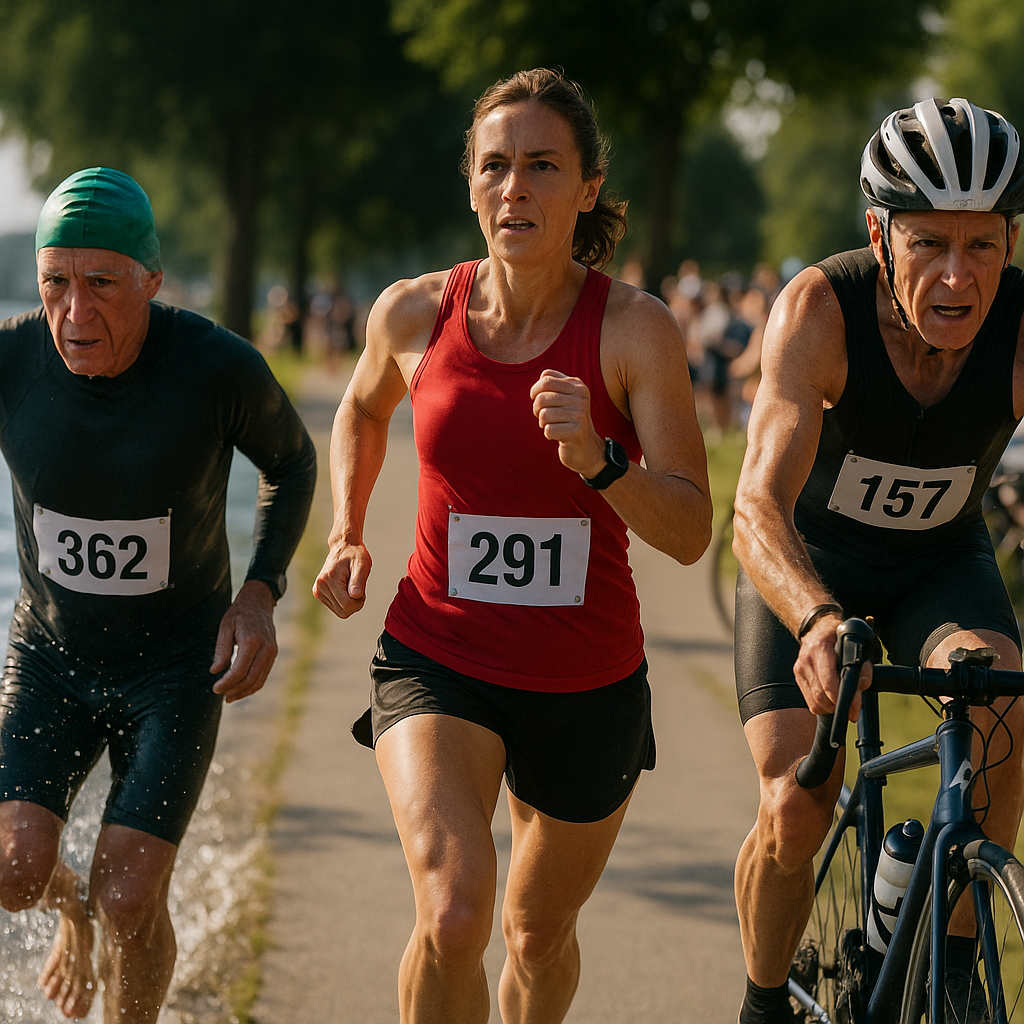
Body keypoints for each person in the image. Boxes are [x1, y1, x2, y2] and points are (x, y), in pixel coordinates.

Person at [313, 68, 711, 1023]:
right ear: (471, 183)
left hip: (587, 681)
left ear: (586, 186)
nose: (515, 188)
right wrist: (346, 528)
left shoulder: (634, 329)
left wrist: (602, 464)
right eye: (495, 166)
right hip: (438, 654)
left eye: (542, 165)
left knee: (535, 936)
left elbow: (694, 529)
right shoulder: (415, 313)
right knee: (453, 913)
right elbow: (361, 411)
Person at [731, 97, 1024, 1023]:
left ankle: (953, 961)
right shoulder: (819, 310)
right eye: (929, 242)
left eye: (983, 245)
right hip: (812, 564)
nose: (955, 275)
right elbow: (755, 507)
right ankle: (763, 1000)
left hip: (939, 563)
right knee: (794, 807)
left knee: (1003, 701)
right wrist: (816, 619)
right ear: (879, 232)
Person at [0, 167, 316, 1022]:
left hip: (174, 667)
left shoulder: (213, 368)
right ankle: (71, 913)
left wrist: (258, 593)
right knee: (14, 872)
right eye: (56, 282)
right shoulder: (10, 360)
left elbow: (291, 462)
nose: (75, 312)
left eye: (101, 284)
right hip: (51, 656)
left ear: (151, 279)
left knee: (131, 896)